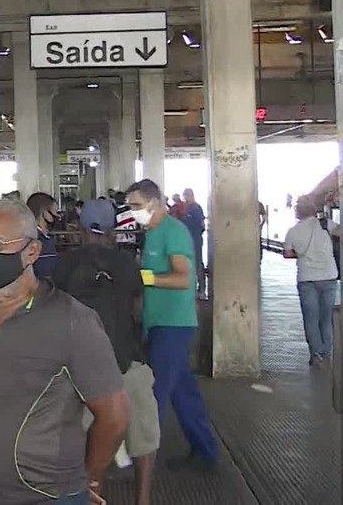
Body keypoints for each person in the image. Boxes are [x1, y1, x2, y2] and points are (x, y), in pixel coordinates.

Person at [0, 199, 129, 505]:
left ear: (31, 252)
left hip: (45, 496)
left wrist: (89, 476)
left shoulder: (74, 321)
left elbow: (114, 416)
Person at [54, 199, 160, 505]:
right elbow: (138, 311)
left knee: (89, 443)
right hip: (127, 363)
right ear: (113, 230)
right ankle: (142, 500)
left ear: (81, 230)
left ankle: (96, 495)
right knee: (144, 439)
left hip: (80, 371)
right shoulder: (128, 264)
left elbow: (56, 312)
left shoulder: (66, 264)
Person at [125, 180, 219, 472]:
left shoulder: (173, 232)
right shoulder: (152, 234)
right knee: (183, 392)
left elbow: (183, 279)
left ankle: (134, 460)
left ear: (155, 202)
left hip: (173, 326)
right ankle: (205, 450)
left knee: (153, 395)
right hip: (157, 323)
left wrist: (145, 278)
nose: (132, 212)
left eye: (136, 206)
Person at [284, 196, 339, 367]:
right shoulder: (326, 224)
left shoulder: (292, 231)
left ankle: (316, 355)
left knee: (311, 318)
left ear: (298, 212)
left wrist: (300, 253)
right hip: (329, 276)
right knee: (326, 317)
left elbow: (287, 253)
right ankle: (326, 352)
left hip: (307, 279)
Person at [25, 192, 59, 281]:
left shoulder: (31, 235)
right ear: (45, 213)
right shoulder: (38, 240)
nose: (57, 216)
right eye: (55, 212)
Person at [181, 189, 207, 294]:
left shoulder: (196, 208)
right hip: (188, 239)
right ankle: (192, 286)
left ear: (191, 196)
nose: (185, 199)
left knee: (197, 263)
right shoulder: (186, 208)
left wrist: (196, 234)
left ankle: (201, 288)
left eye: (186, 196)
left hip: (195, 240)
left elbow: (202, 225)